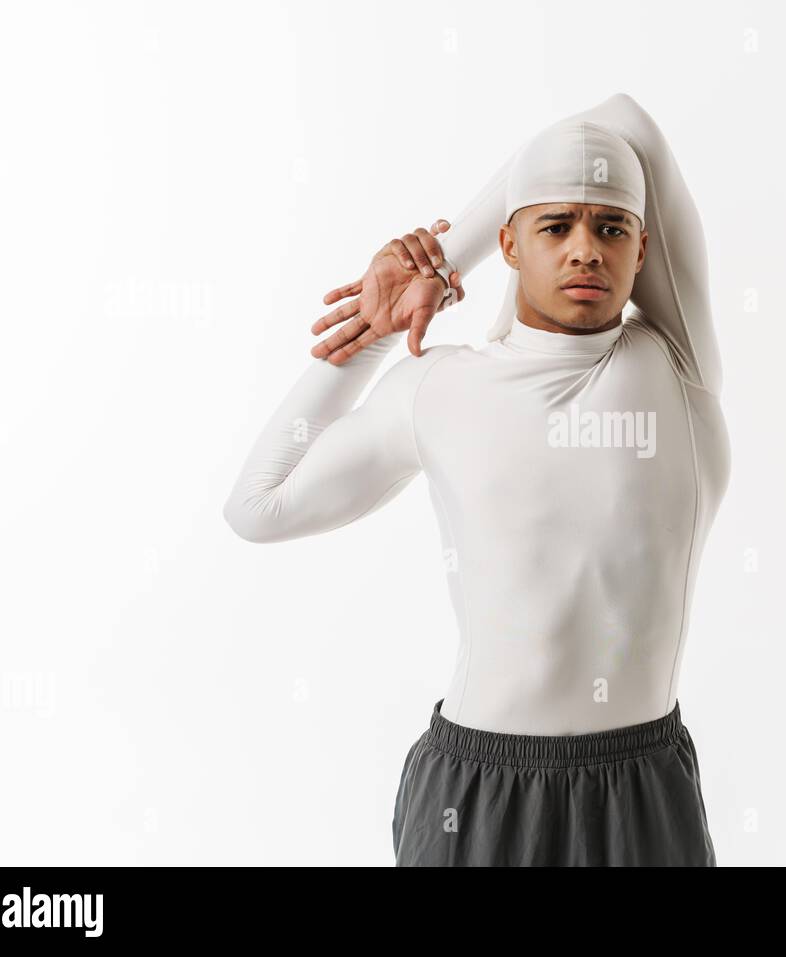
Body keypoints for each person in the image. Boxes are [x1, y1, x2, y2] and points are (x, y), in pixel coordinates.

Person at [222, 93, 729, 865]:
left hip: (641, 792)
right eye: (555, 226)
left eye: (611, 227)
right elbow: (257, 506)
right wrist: (375, 332)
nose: (586, 249)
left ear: (643, 248)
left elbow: (625, 116)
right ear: (512, 243)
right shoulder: (441, 388)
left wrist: (446, 255)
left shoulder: (677, 367)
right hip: (478, 795)